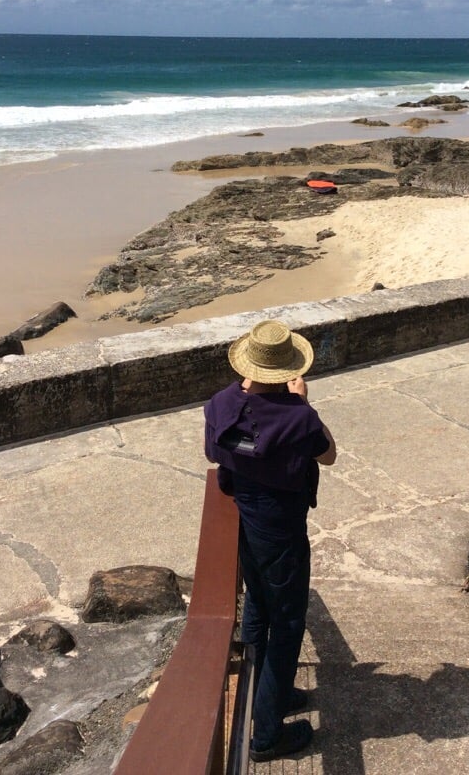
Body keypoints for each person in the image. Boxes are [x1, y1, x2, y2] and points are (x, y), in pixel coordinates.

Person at [204, 319, 337, 762]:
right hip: (281, 531)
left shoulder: (221, 404)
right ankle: (266, 737)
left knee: (259, 607)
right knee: (287, 623)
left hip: (245, 520)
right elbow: (330, 454)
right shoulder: (297, 418)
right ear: (288, 371)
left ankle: (268, 695)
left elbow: (215, 452)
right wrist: (304, 405)